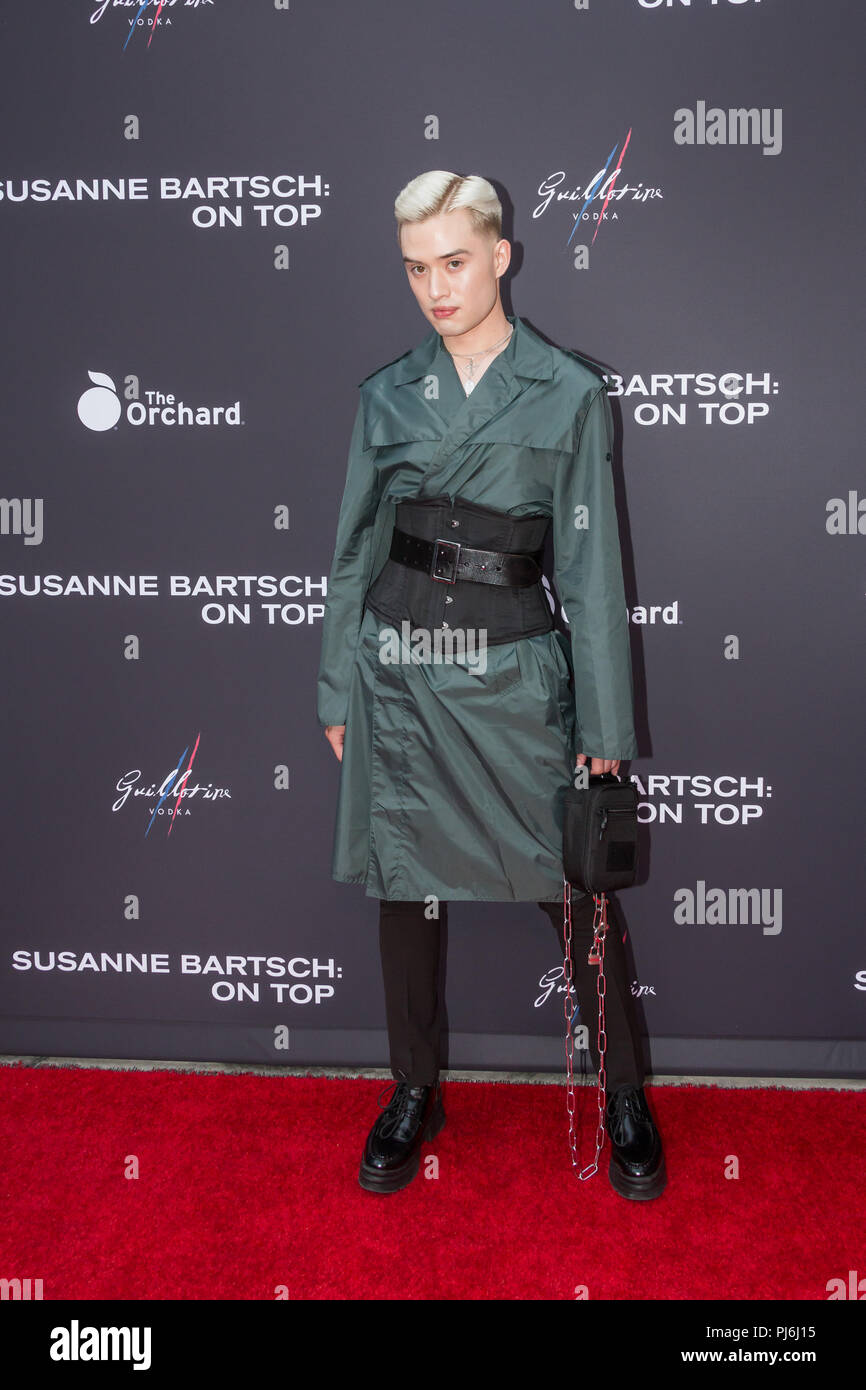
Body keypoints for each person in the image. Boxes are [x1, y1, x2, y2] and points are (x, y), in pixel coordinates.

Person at [316, 170, 665, 1201]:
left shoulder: (568, 391)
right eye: (416, 267)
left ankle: (624, 1096)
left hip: (513, 675)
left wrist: (600, 722)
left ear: (501, 256)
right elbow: (351, 553)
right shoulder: (385, 395)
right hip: (401, 677)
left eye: (453, 262)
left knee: (575, 896)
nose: (434, 286)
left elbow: (592, 573)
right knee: (405, 894)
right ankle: (414, 1089)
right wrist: (339, 686)